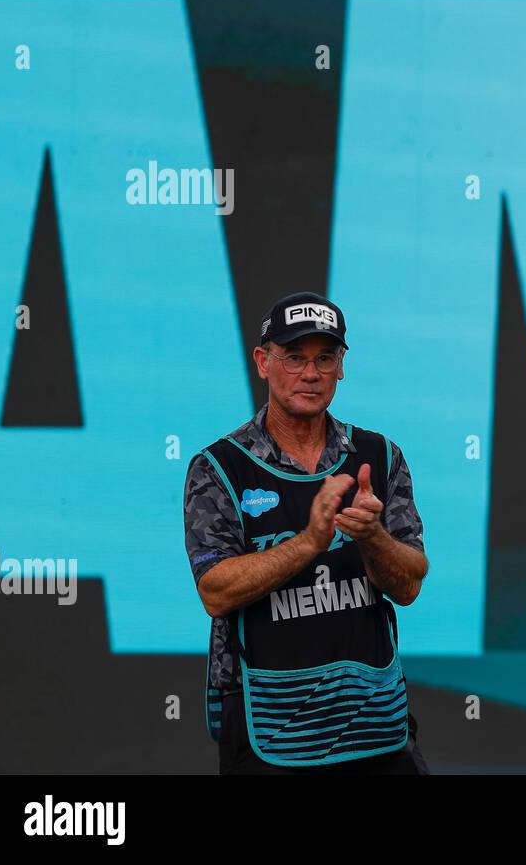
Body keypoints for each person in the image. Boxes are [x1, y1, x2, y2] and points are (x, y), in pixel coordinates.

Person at [184, 292, 430, 774]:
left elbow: (409, 584)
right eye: (293, 357)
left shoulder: (379, 456)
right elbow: (214, 591)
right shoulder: (219, 466)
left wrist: (372, 536)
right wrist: (310, 542)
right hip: (268, 718)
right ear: (263, 362)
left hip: (372, 716)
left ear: (342, 366)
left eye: (324, 358)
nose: (310, 373)